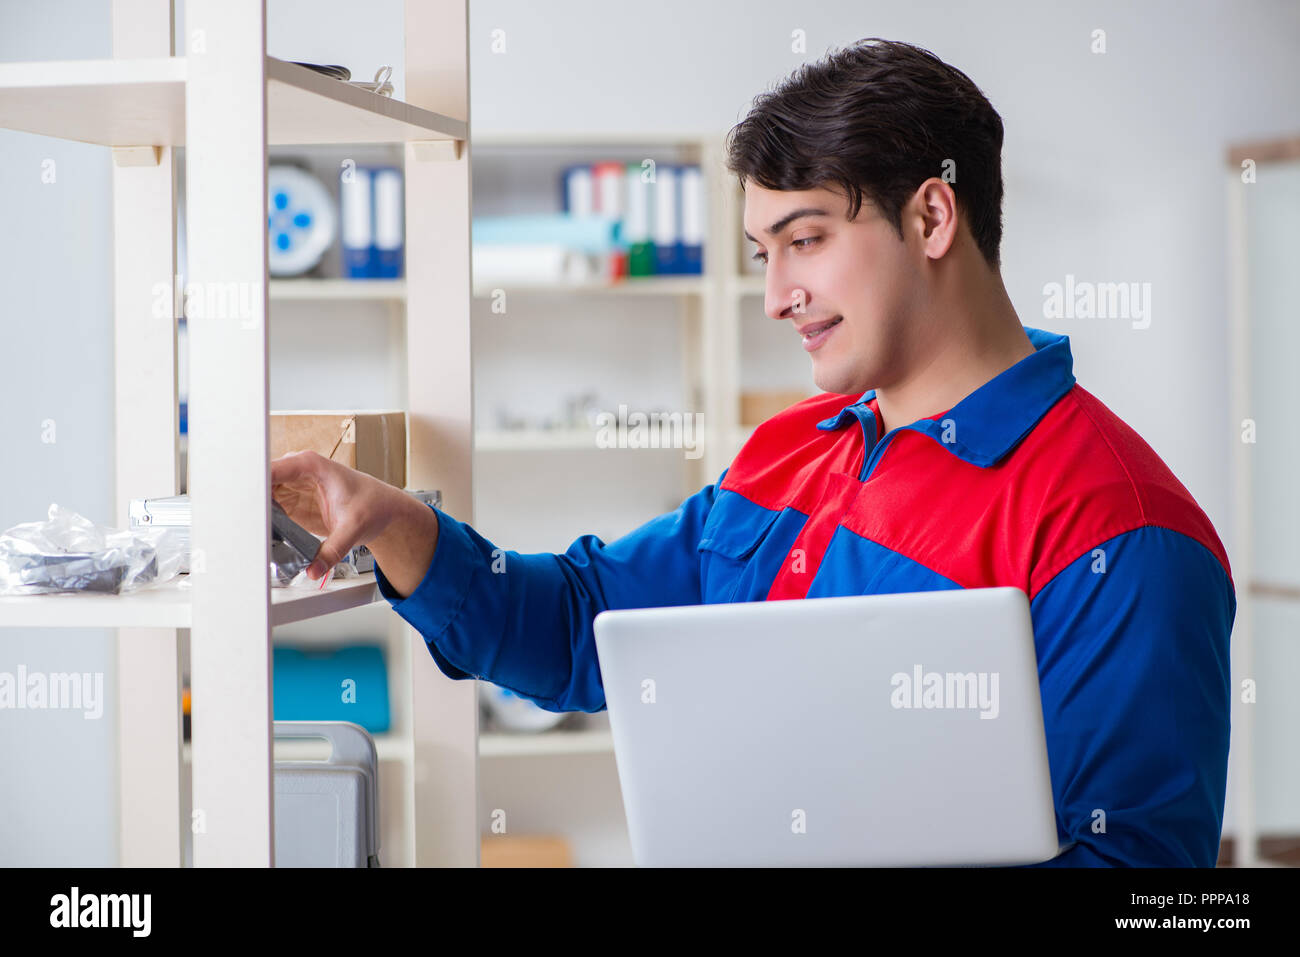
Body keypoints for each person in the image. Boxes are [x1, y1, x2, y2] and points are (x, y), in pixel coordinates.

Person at [271, 38, 1235, 868]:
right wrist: (400, 524)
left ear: (933, 218)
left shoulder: (1121, 531)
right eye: (760, 254)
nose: (777, 296)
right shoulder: (791, 452)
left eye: (804, 239)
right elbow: (580, 626)